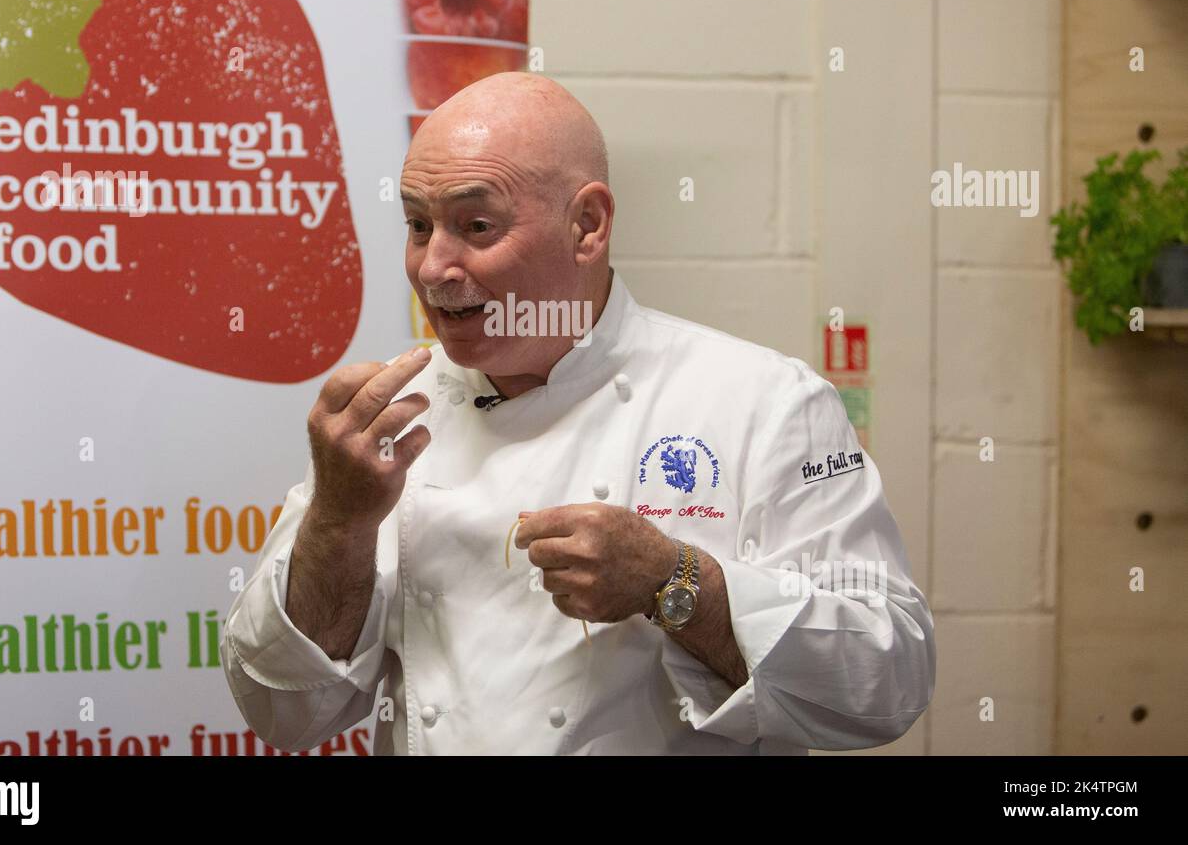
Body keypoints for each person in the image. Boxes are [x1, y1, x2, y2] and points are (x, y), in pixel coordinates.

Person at [220, 72, 936, 755]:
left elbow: (889, 676)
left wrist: (676, 583)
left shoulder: (764, 402)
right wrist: (340, 523)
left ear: (587, 226)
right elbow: (282, 708)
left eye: (475, 225)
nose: (433, 267)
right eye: (416, 225)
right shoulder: (385, 423)